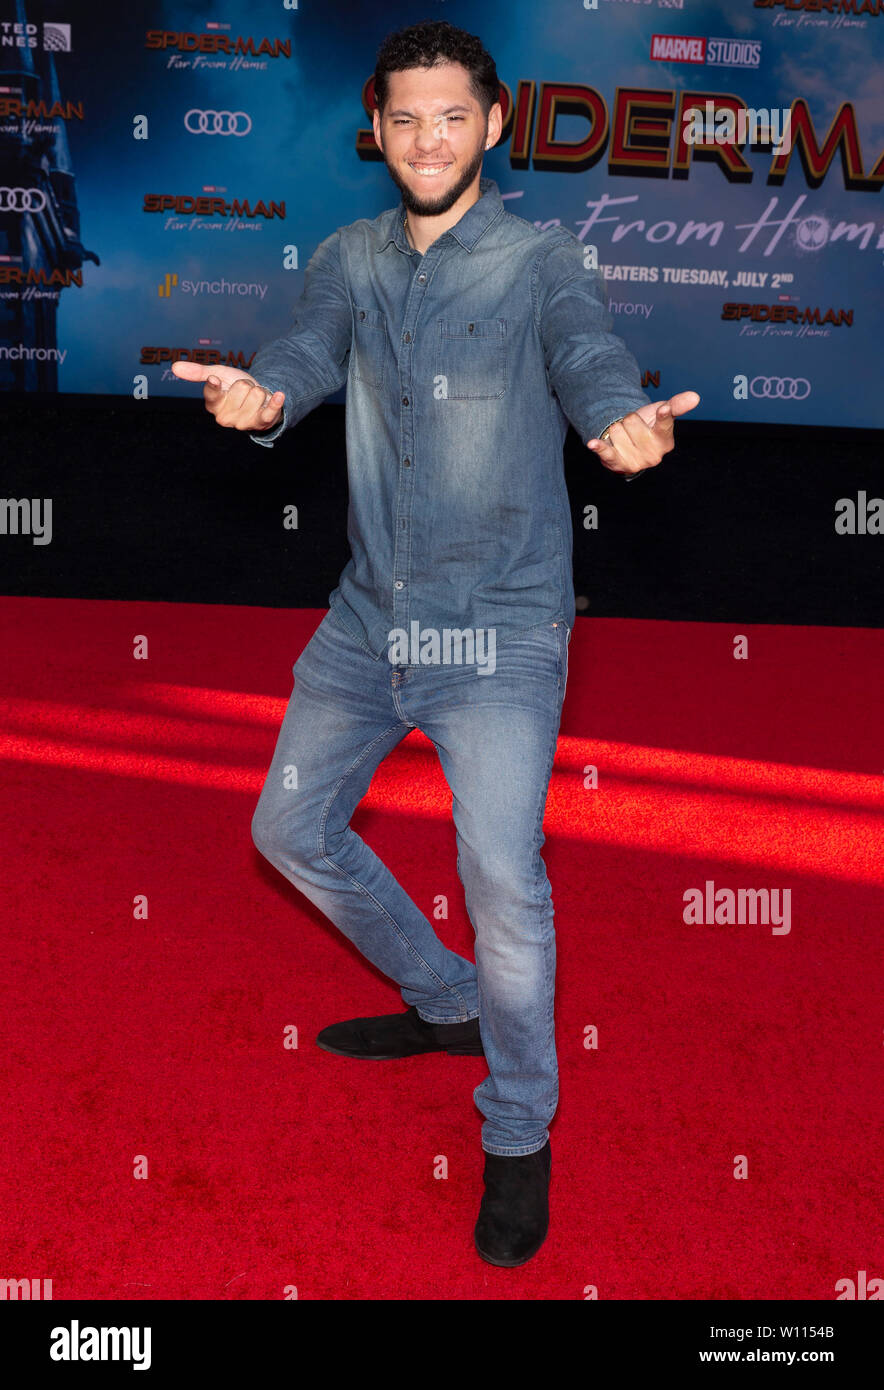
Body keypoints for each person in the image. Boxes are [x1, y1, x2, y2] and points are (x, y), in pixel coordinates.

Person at [172, 19, 698, 1268]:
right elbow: (305, 350)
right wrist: (264, 397)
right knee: (287, 829)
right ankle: (446, 999)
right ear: (376, 126)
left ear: (493, 125)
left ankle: (518, 1126)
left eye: (450, 117)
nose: (426, 140)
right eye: (404, 118)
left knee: (505, 882)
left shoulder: (540, 257)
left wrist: (619, 415)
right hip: (367, 618)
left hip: (502, 631)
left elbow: (584, 355)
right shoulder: (350, 257)